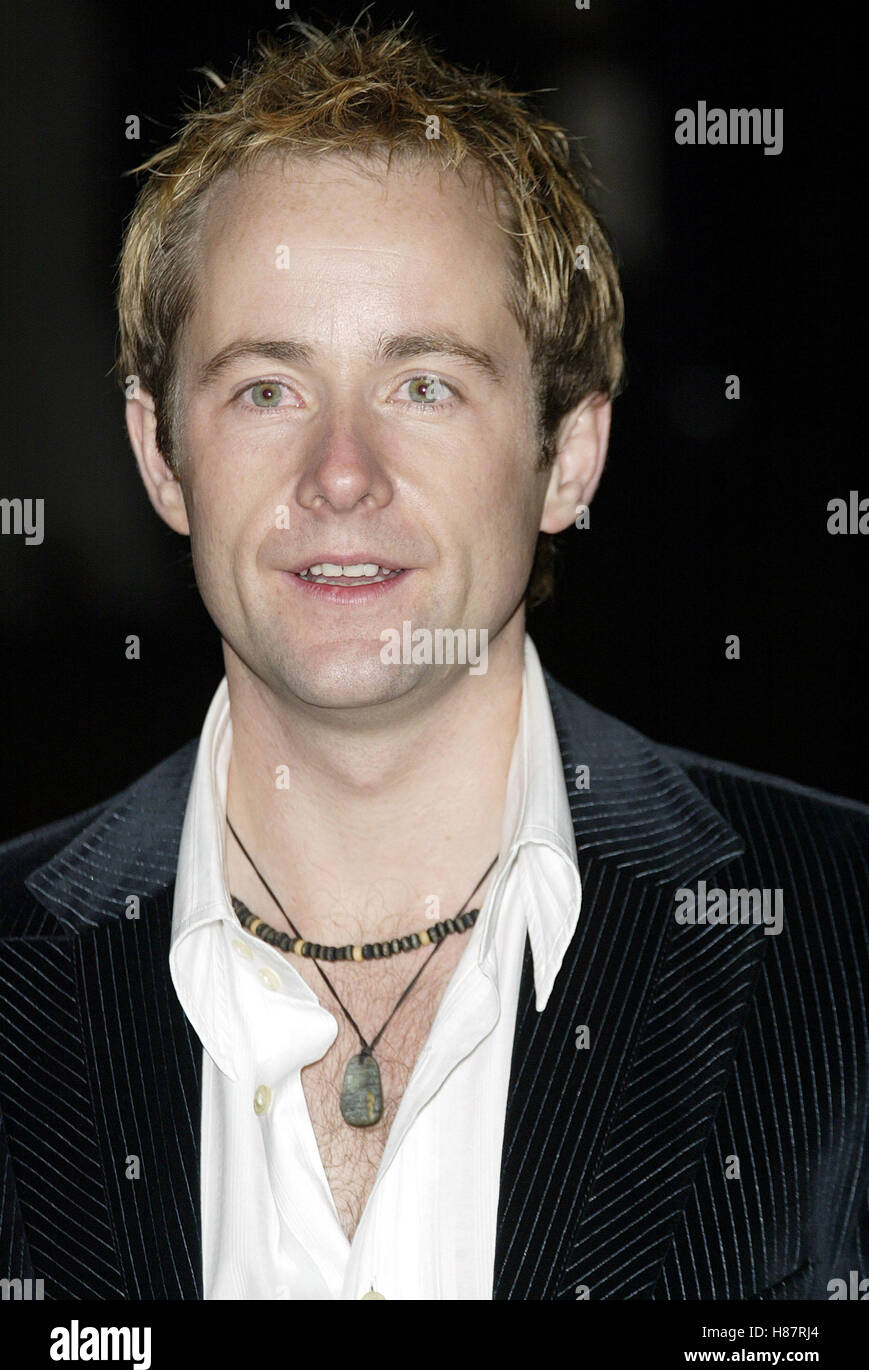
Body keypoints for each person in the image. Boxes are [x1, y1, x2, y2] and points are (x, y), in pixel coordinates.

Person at [1, 18, 866, 1302]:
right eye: (265, 388)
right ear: (156, 450)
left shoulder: (841, 936)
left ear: (568, 452)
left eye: (424, 385)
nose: (339, 474)